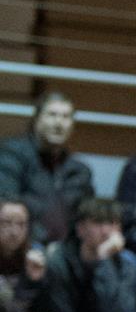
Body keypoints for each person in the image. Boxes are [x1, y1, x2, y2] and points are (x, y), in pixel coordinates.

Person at [0, 91, 93, 246]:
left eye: (65, 117)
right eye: (52, 115)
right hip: (21, 246)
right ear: (37, 120)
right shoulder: (12, 155)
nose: (58, 123)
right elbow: (6, 207)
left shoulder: (80, 171)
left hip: (66, 251)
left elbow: (87, 218)